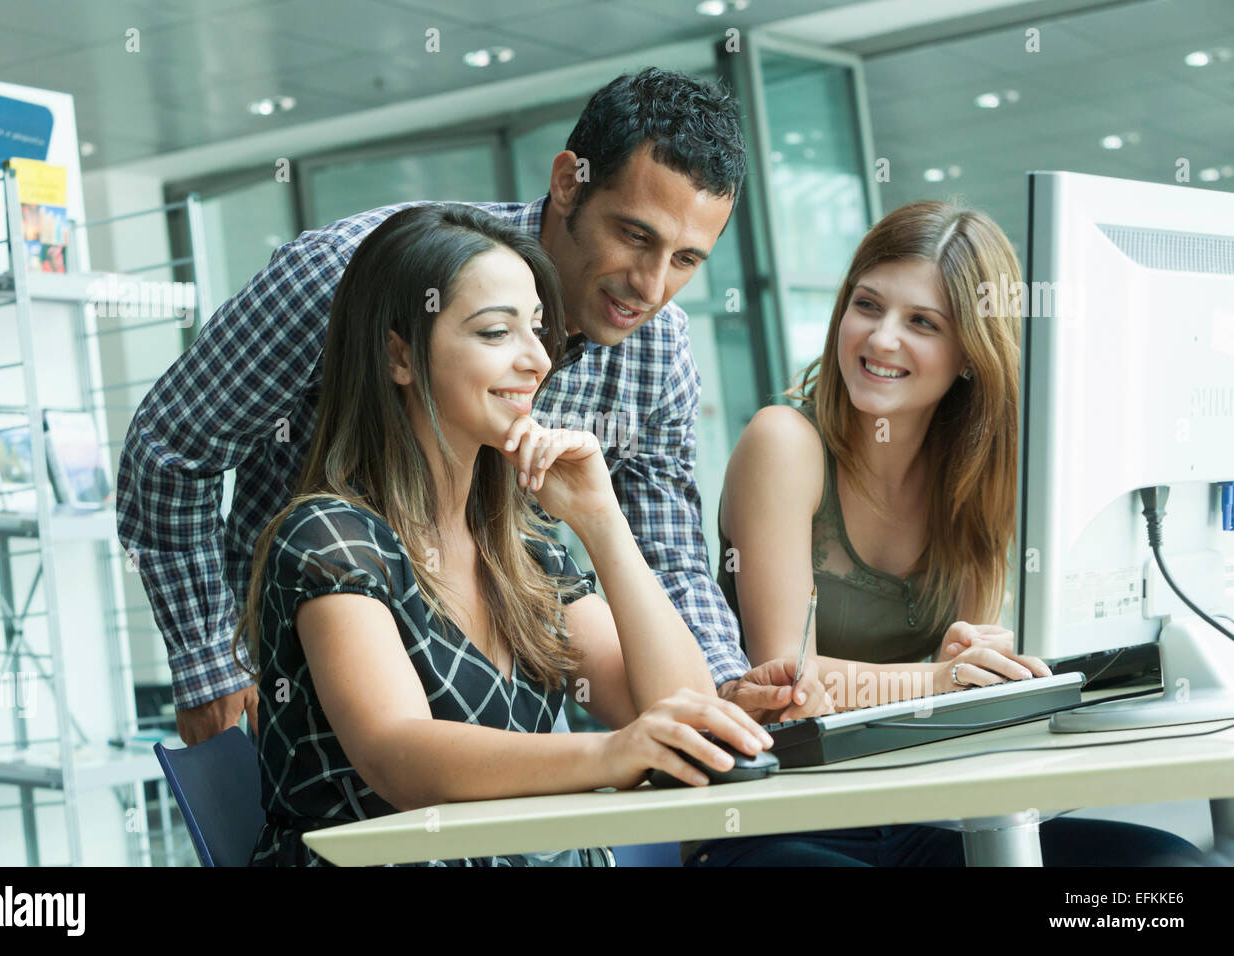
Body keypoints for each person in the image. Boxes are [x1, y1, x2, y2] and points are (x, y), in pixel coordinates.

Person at [116, 67, 827, 749]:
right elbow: (170, 451)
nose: (650, 285)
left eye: (686, 260)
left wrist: (724, 688)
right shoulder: (353, 275)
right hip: (300, 681)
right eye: (636, 236)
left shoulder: (654, 355)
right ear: (567, 183)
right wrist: (208, 660)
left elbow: (668, 555)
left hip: (491, 686)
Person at [236, 203, 772, 866]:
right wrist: (609, 751)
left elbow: (682, 714)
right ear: (398, 353)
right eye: (496, 333)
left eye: (540, 332)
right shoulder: (329, 536)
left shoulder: (522, 543)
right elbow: (400, 754)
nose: (538, 361)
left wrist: (603, 524)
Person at [688, 199, 1204, 866]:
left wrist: (988, 666)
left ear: (968, 354)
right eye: (868, 305)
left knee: (1167, 871)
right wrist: (938, 679)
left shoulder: (981, 471)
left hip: (931, 812)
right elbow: (792, 688)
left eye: (922, 322)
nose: (880, 339)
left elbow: (974, 679)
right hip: (785, 819)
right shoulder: (784, 443)